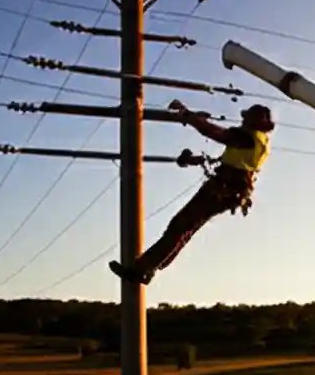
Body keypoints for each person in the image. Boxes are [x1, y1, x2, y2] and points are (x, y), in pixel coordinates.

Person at [109, 102, 275, 285]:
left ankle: (140, 270)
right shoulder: (260, 140)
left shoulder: (247, 138)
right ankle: (150, 268)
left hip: (221, 190)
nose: (242, 121)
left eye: (246, 118)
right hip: (230, 192)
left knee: (179, 227)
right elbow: (230, 157)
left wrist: (188, 116)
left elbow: (215, 133)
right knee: (185, 230)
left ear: (252, 121)